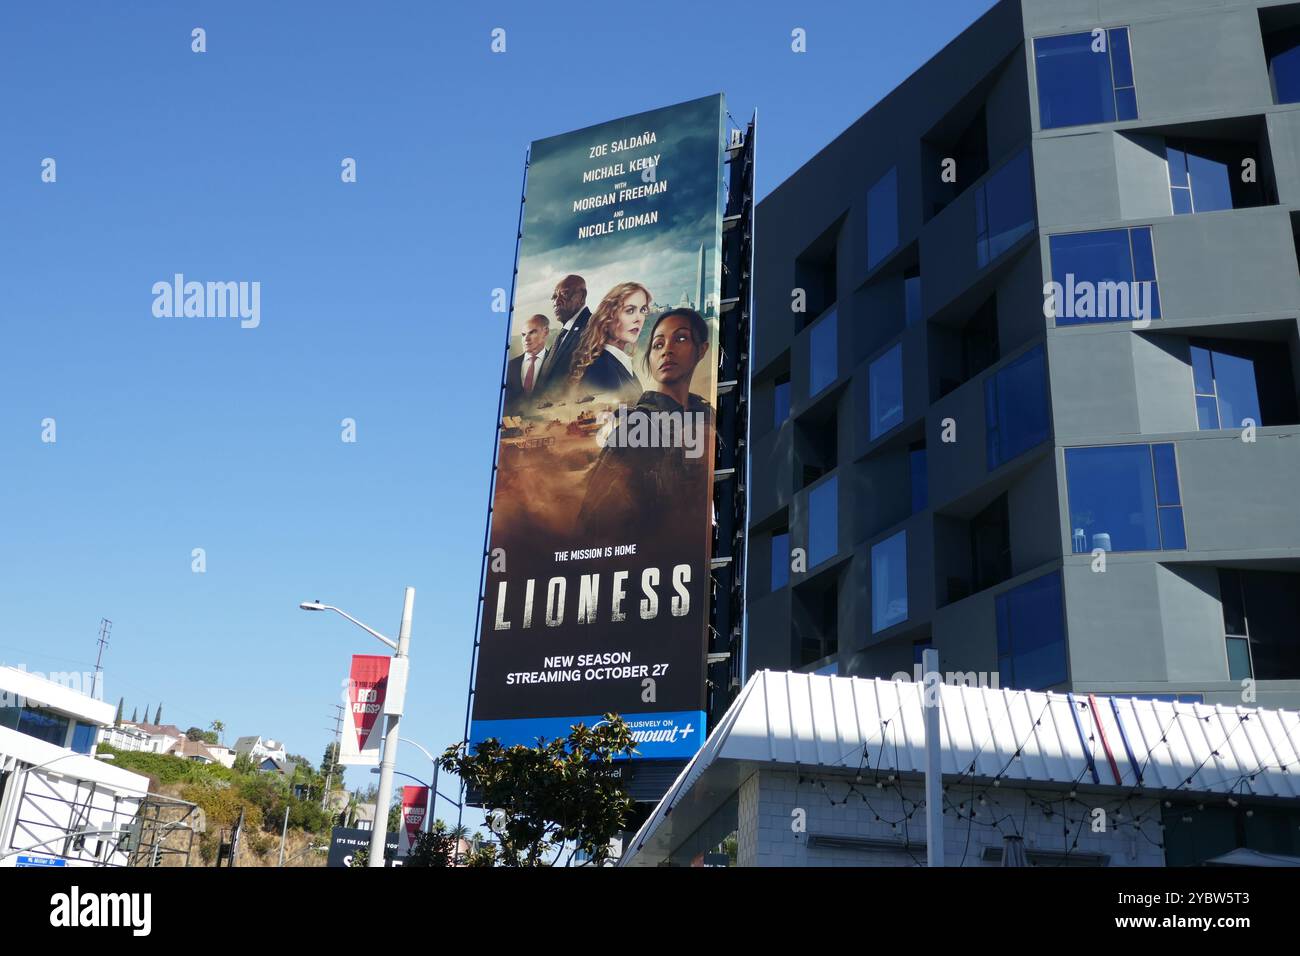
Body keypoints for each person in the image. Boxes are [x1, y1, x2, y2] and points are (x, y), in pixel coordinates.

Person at [576, 308, 715, 546]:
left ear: (702, 350)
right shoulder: (637, 427)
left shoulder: (708, 418)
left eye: (681, 338)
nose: (667, 350)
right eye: (658, 344)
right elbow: (592, 521)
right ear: (649, 356)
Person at [565, 281, 650, 406]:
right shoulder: (601, 369)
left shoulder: (615, 362)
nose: (639, 318)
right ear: (607, 318)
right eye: (630, 310)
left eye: (643, 310)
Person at [535, 274, 591, 395]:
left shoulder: (591, 328)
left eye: (565, 294)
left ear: (582, 296)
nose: (556, 301)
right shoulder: (561, 335)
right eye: (554, 297)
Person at [504, 314, 550, 414]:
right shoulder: (509, 367)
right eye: (523, 335)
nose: (526, 339)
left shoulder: (556, 362)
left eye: (532, 332)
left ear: (545, 332)